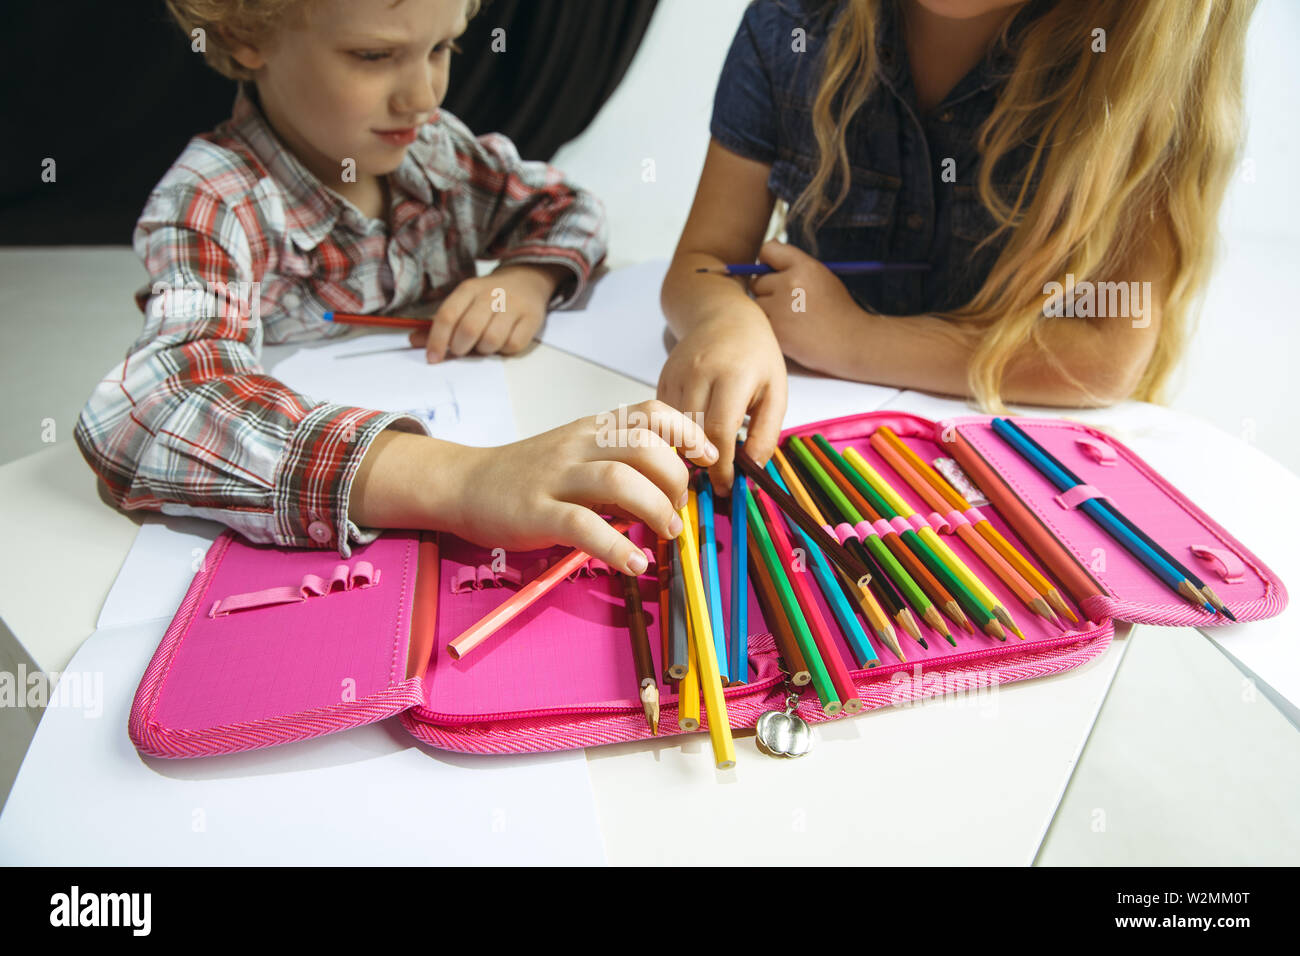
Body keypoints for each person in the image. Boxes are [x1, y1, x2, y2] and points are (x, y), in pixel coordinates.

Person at [76, 0, 712, 576]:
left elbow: (570, 205)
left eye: (441, 49)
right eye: (374, 56)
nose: (423, 97)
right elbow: (149, 407)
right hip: (336, 549)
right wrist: (463, 480)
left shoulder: (436, 149)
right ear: (248, 35)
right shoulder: (210, 200)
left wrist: (528, 277)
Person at [659, 0, 1254, 491]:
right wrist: (727, 318)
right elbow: (704, 261)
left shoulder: (1140, 61)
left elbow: (1106, 356)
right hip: (812, 461)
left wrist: (855, 340)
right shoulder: (790, 24)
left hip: (1026, 479)